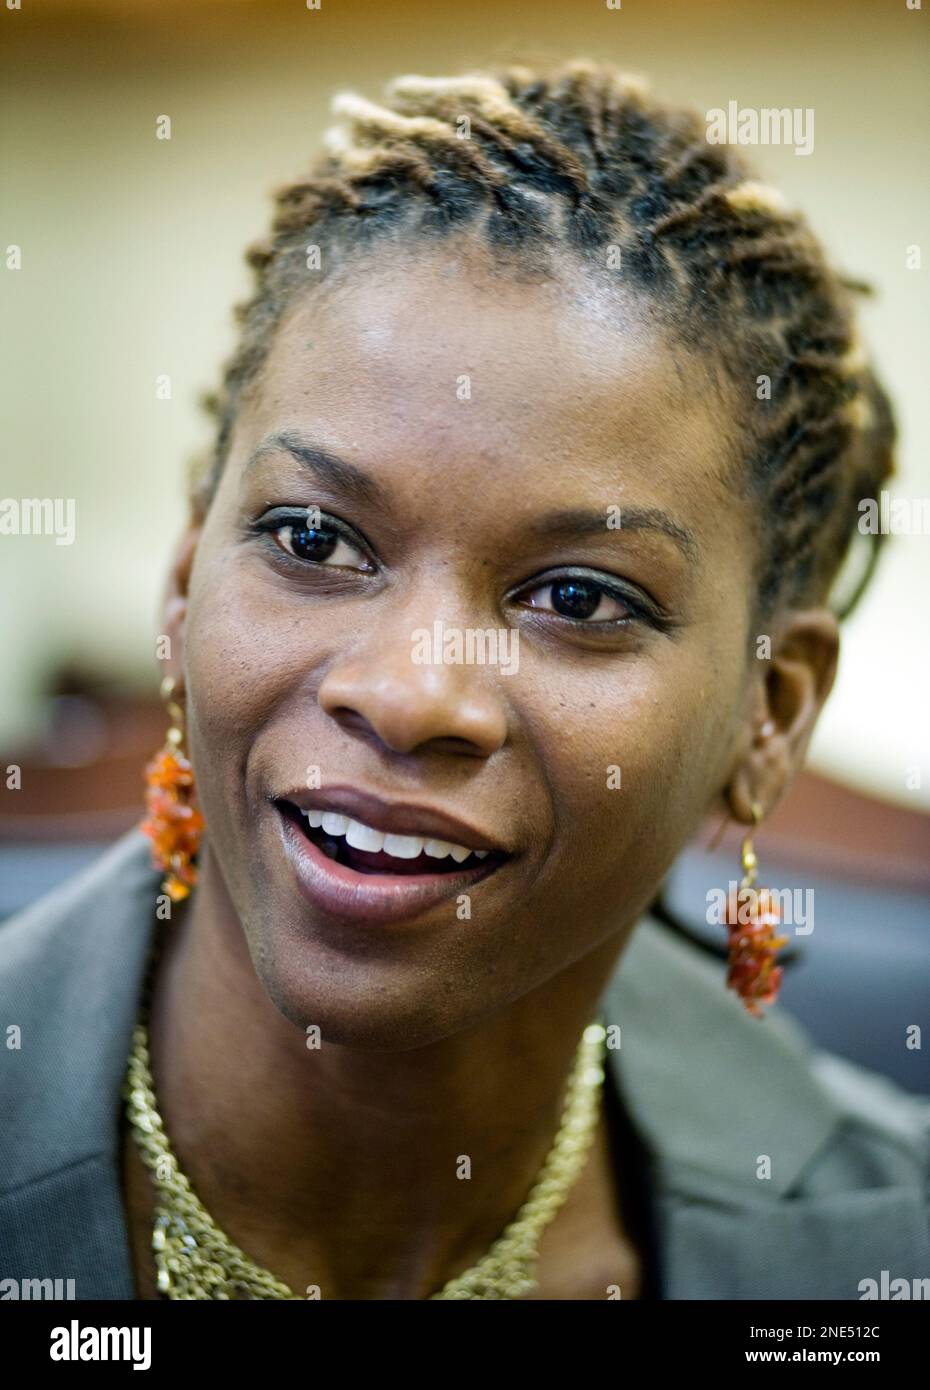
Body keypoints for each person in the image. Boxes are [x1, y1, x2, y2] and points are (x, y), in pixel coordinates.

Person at [1, 59, 927, 1302]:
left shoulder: (882, 1254)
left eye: (579, 598)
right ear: (184, 588)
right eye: (315, 540)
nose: (409, 695)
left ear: (769, 714)